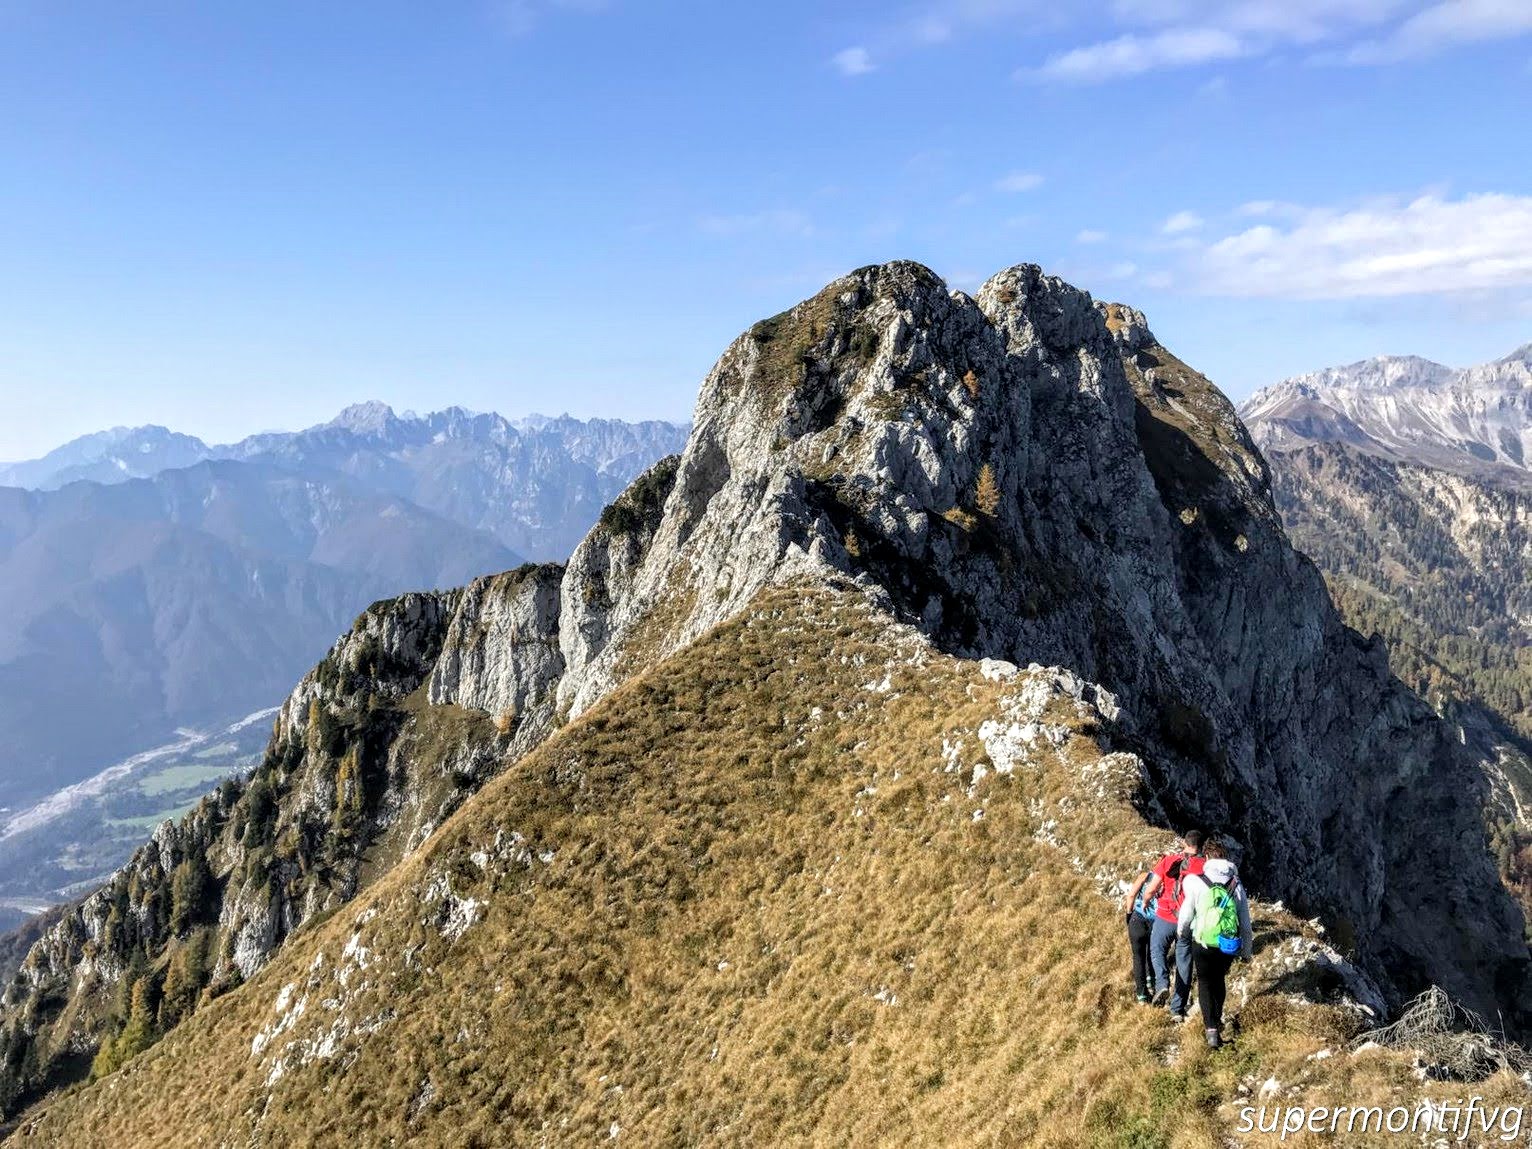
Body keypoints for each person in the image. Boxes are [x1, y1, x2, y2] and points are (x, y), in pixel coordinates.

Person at [1177, 838, 1253, 1050]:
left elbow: (1185, 915)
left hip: (1201, 943)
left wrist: (1182, 934)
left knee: (1204, 982)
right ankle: (1217, 1021)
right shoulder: (1236, 884)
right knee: (1219, 980)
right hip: (1227, 945)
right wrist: (1246, 951)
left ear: (1207, 858)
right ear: (1226, 858)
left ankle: (1210, 1028)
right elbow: (1245, 923)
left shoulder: (1194, 881)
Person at [1139, 831, 1204, 1009]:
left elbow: (1151, 889)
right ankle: (1177, 1008)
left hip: (1165, 916)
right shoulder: (1204, 866)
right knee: (1184, 962)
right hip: (1188, 921)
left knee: (1157, 950)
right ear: (1201, 846)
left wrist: (1145, 901)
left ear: (1185, 843)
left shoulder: (1169, 861)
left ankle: (1162, 984)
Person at [1121, 869, 1157, 1002]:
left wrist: (1129, 916)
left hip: (1137, 920)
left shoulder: (1145, 876)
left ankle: (1141, 994)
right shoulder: (1166, 880)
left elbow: (1131, 896)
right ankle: (1151, 981)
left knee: (1138, 957)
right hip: (1155, 922)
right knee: (1151, 952)